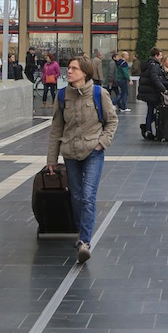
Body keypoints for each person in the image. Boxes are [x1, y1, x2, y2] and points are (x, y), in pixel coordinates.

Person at [45, 55, 117, 264]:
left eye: (74, 68)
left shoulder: (98, 93)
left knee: (87, 196)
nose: (69, 71)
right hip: (70, 152)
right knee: (76, 196)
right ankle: (81, 229)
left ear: (85, 72)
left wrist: (102, 142)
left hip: (93, 151)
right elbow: (56, 129)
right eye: (69, 68)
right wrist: (51, 159)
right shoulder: (62, 95)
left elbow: (112, 121)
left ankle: (84, 242)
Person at [138, 48, 168, 138]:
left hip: (147, 92)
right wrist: (164, 89)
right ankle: (148, 128)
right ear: (156, 55)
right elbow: (155, 79)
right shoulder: (155, 65)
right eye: (160, 55)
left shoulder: (148, 64)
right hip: (153, 92)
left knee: (151, 111)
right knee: (159, 111)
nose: (161, 57)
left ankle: (148, 128)